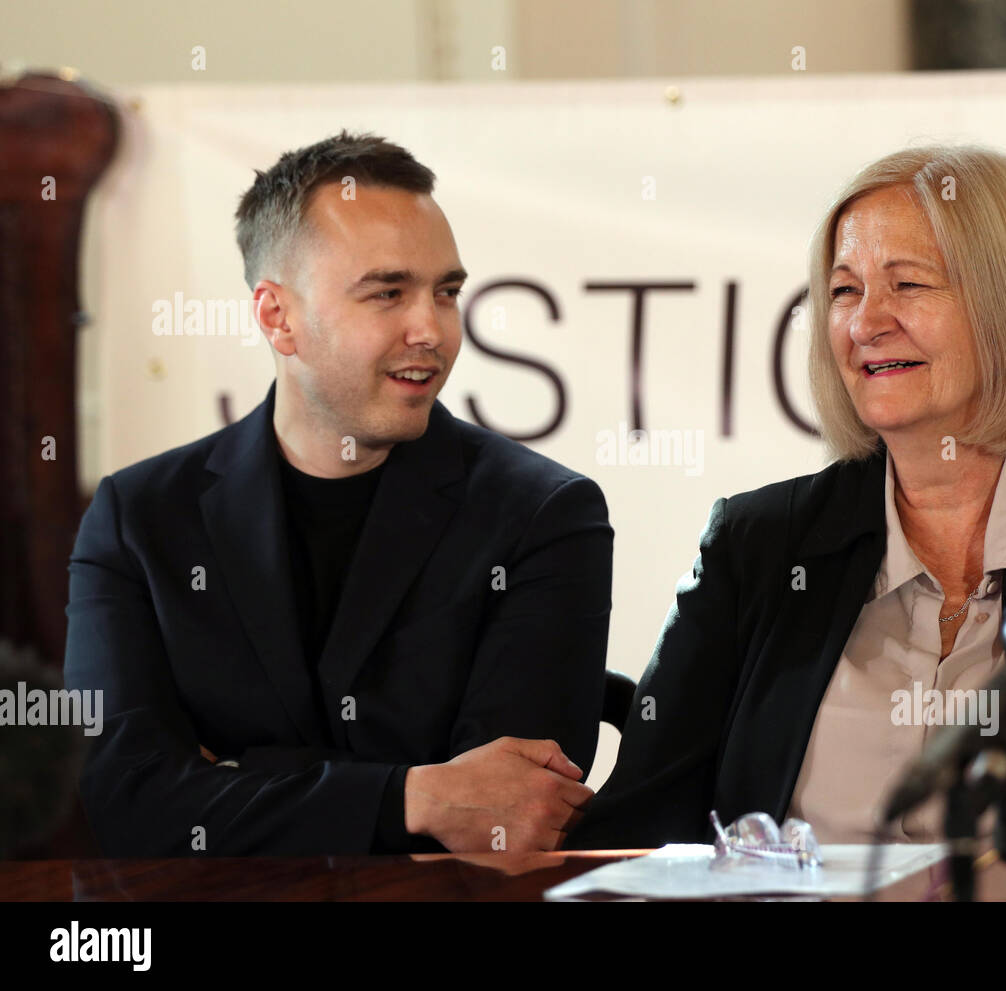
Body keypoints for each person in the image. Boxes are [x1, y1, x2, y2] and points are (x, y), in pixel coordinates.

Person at [569, 146, 1006, 850]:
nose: (866, 322)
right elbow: (638, 832)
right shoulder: (756, 543)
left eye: (908, 285)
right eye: (844, 291)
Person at [64, 131, 612, 856]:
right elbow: (123, 801)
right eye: (388, 292)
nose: (434, 330)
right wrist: (414, 793)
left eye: (446, 292)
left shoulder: (544, 514)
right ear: (276, 317)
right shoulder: (139, 517)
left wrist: (233, 776)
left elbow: (508, 812)